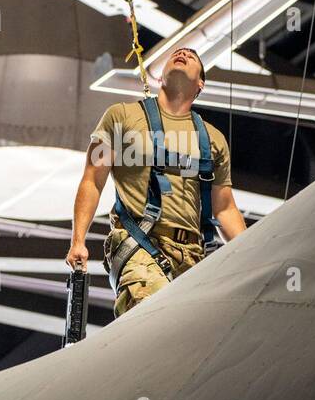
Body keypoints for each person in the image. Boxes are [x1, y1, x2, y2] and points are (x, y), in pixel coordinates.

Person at [66, 46, 247, 316]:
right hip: (141, 245)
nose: (183, 54)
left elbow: (224, 208)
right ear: (160, 77)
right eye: (177, 53)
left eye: (192, 56)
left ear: (200, 84)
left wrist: (252, 252)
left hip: (193, 258)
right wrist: (78, 239)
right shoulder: (121, 117)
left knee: (184, 342)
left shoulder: (212, 140)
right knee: (152, 320)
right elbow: (93, 179)